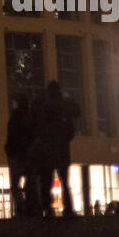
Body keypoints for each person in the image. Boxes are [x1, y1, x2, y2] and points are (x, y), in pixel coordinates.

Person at [31, 81, 78, 218]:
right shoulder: (63, 105)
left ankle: (47, 209)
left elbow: (35, 125)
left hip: (46, 149)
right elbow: (73, 119)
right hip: (61, 148)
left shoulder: (43, 105)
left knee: (46, 181)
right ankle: (68, 209)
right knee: (64, 181)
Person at [5, 94, 35, 218]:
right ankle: (29, 209)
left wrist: (9, 150)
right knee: (30, 183)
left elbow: (12, 137)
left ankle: (21, 209)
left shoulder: (15, 118)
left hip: (16, 154)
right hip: (28, 154)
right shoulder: (30, 117)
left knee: (15, 185)